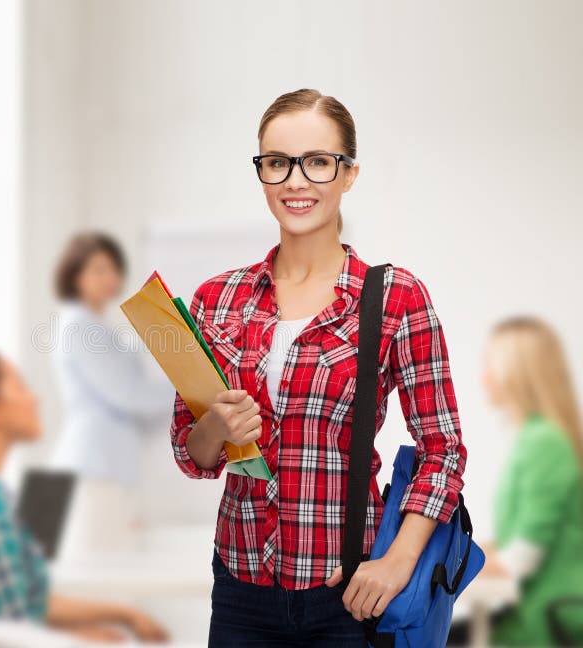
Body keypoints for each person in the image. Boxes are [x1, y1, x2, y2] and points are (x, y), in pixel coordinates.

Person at [168, 88, 468, 646]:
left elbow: (442, 450)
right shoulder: (218, 298)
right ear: (262, 173)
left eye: (317, 162)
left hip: (347, 596)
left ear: (348, 174)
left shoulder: (395, 298)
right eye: (278, 163)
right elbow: (192, 453)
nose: (295, 182)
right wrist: (216, 426)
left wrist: (397, 562)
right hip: (239, 589)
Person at [0, 345, 169, 643]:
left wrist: (121, 614)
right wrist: (88, 638)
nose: (35, 397)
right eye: (20, 387)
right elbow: (7, 634)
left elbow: (23, 603)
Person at [451, 316, 583, 646]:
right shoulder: (536, 438)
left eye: (490, 366)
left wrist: (434, 568)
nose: (483, 378)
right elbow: (516, 541)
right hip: (535, 614)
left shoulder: (545, 443)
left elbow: (520, 558)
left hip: (549, 621)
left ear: (517, 374)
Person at [49, 232, 172, 556]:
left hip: (101, 470)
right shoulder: (80, 326)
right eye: (98, 269)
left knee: (106, 574)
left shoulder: (94, 325)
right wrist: (193, 390)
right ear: (75, 274)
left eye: (114, 269)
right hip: (92, 472)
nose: (111, 278)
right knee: (99, 581)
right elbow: (129, 395)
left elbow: (131, 402)